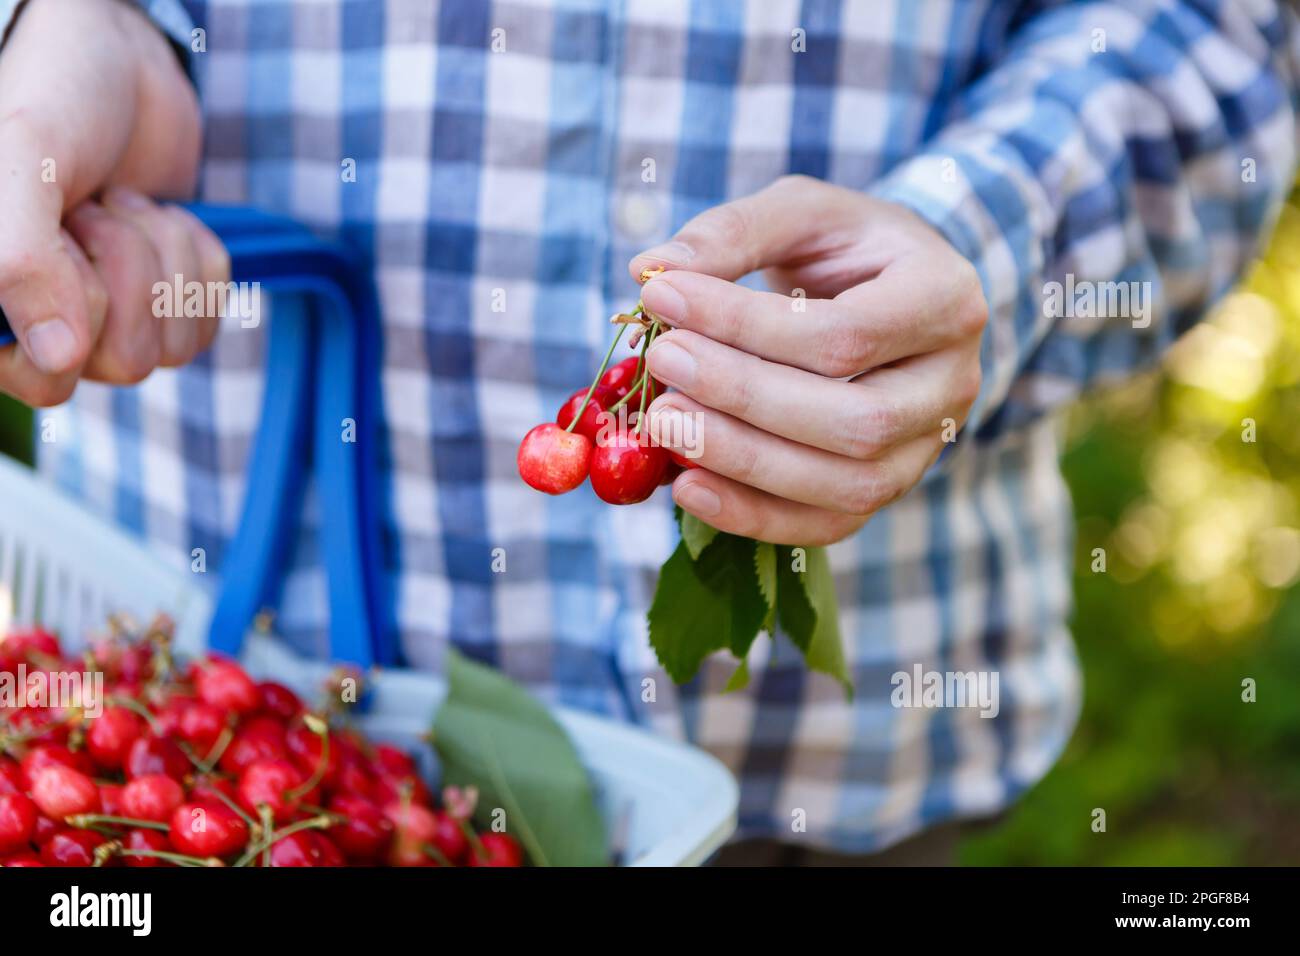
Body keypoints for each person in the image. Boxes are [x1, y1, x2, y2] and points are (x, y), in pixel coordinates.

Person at [0, 0, 1296, 864]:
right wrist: (83, 29)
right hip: (211, 682)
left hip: (837, 789)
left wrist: (987, 242)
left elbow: (1212, 34)